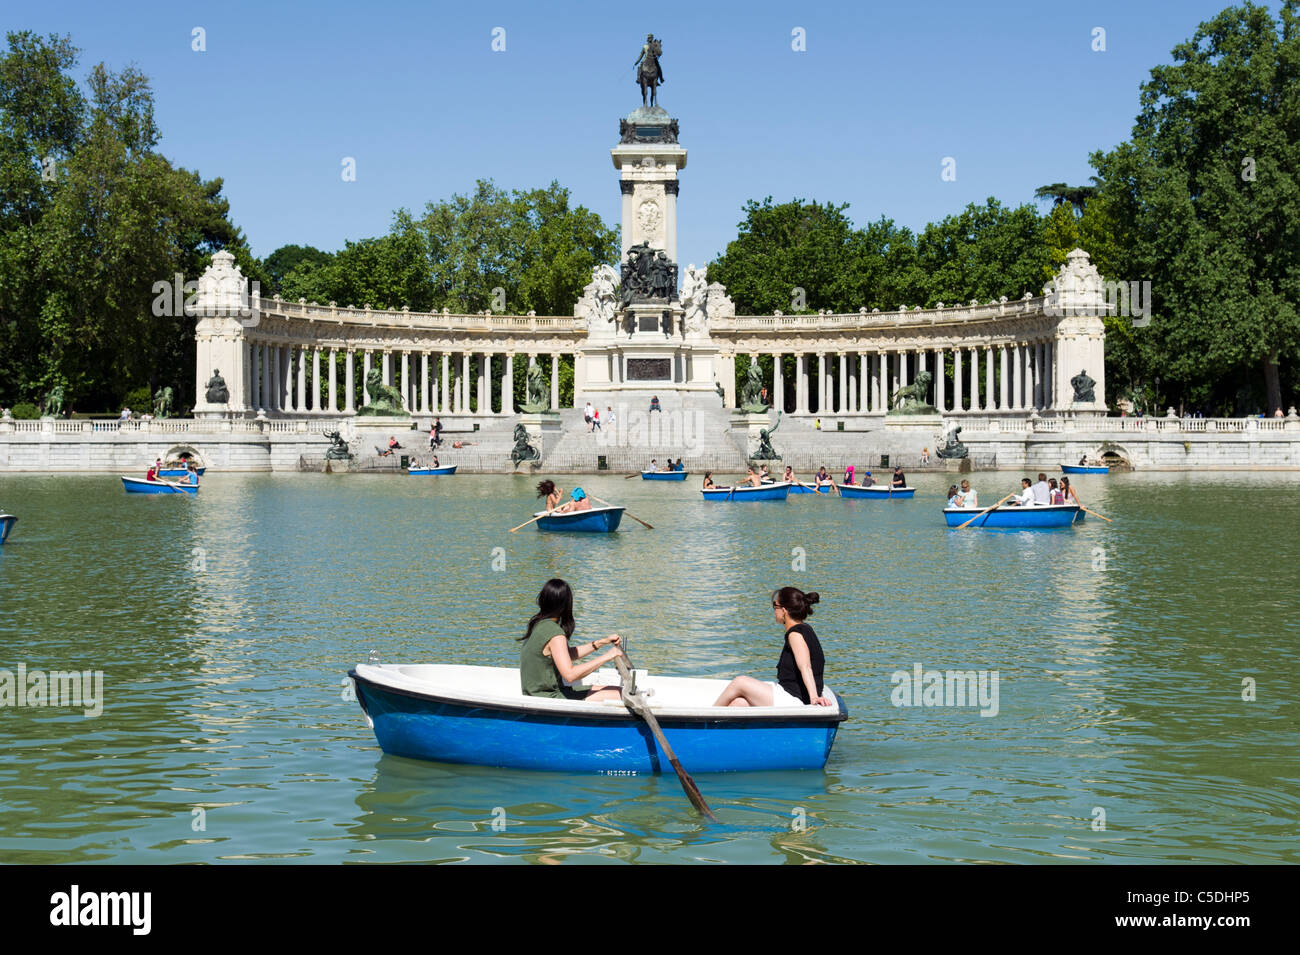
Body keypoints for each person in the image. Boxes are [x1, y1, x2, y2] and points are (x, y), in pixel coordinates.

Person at [713, 587, 832, 707]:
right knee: (739, 703)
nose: (774, 610)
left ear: (784, 610)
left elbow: (805, 666)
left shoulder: (795, 634)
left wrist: (814, 697)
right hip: (790, 693)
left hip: (794, 698)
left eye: (775, 605)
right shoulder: (806, 629)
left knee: (740, 682)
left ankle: (707, 716)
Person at [518, 578, 623, 702]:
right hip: (548, 698)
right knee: (620, 694)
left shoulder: (539, 624)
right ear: (567, 605)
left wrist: (600, 642)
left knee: (614, 690)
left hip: (534, 695)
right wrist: (608, 656)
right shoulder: (555, 634)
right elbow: (570, 675)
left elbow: (565, 655)